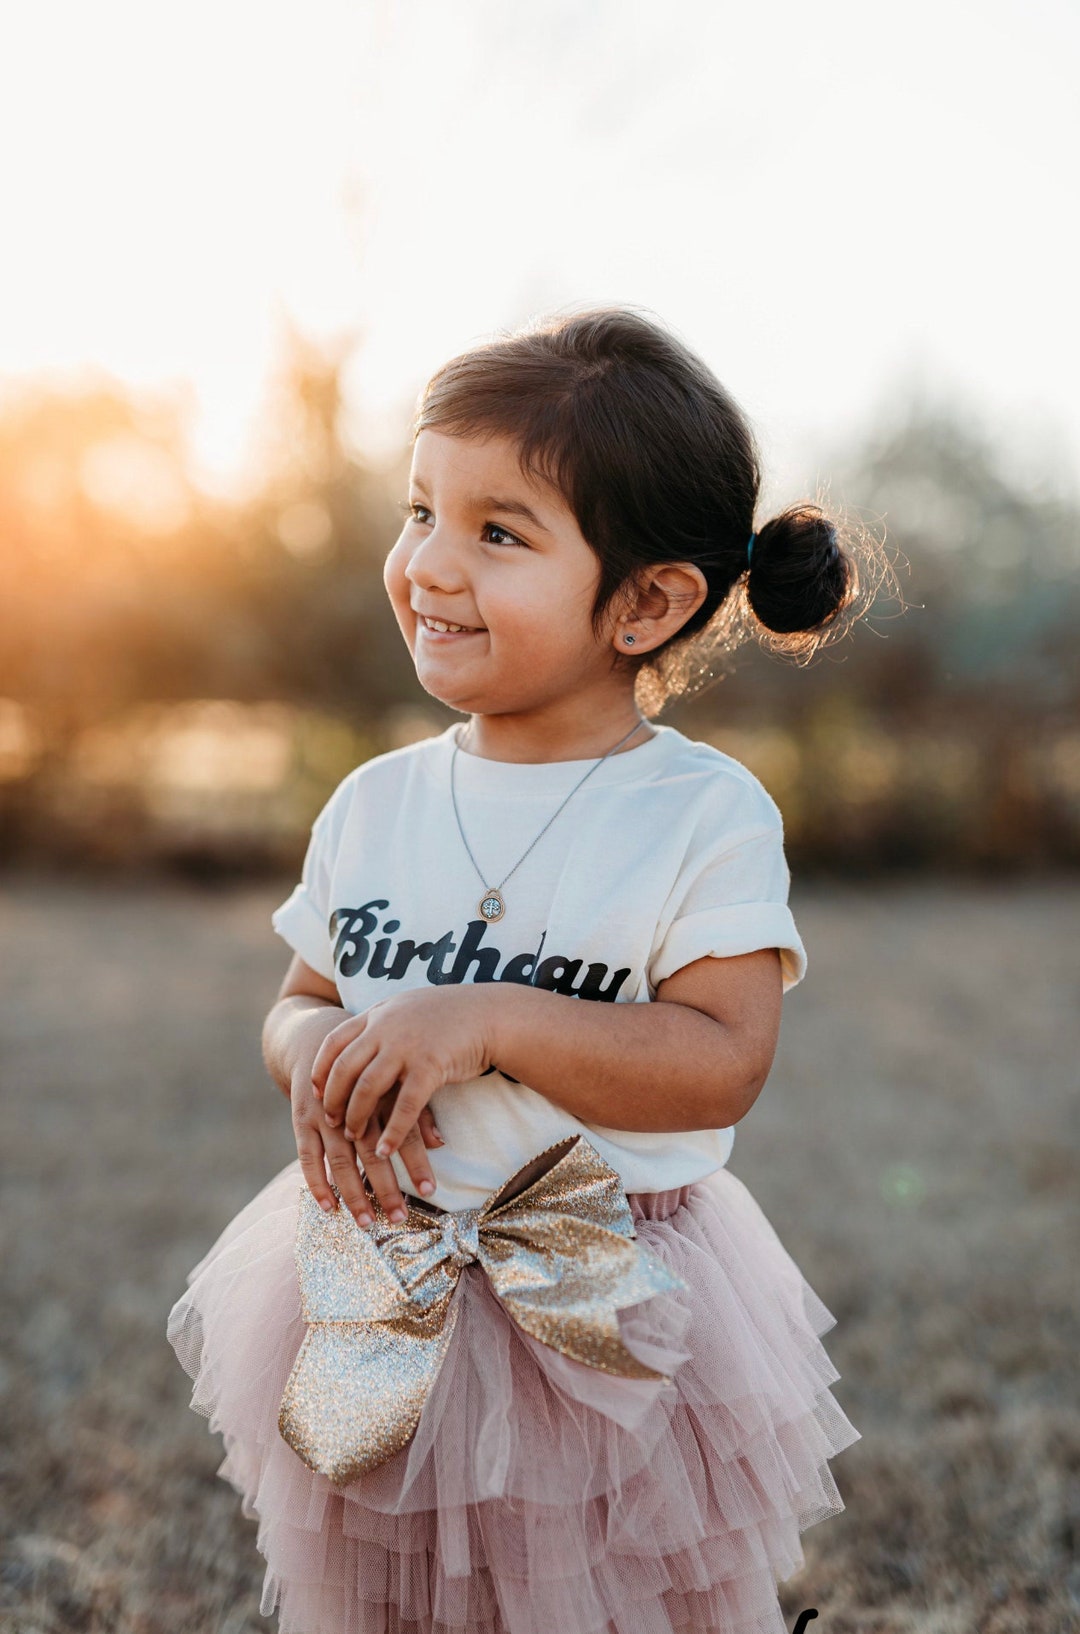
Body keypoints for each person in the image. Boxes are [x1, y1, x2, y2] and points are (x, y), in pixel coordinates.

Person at [168, 305, 873, 1634]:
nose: (429, 563)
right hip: (385, 1274)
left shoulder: (696, 814)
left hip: (606, 1289)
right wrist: (316, 1052)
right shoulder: (373, 804)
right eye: (419, 508)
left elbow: (724, 1055)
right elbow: (305, 997)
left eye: (499, 532)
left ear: (648, 600)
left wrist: (489, 1018)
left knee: (612, 1606)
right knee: (381, 1601)